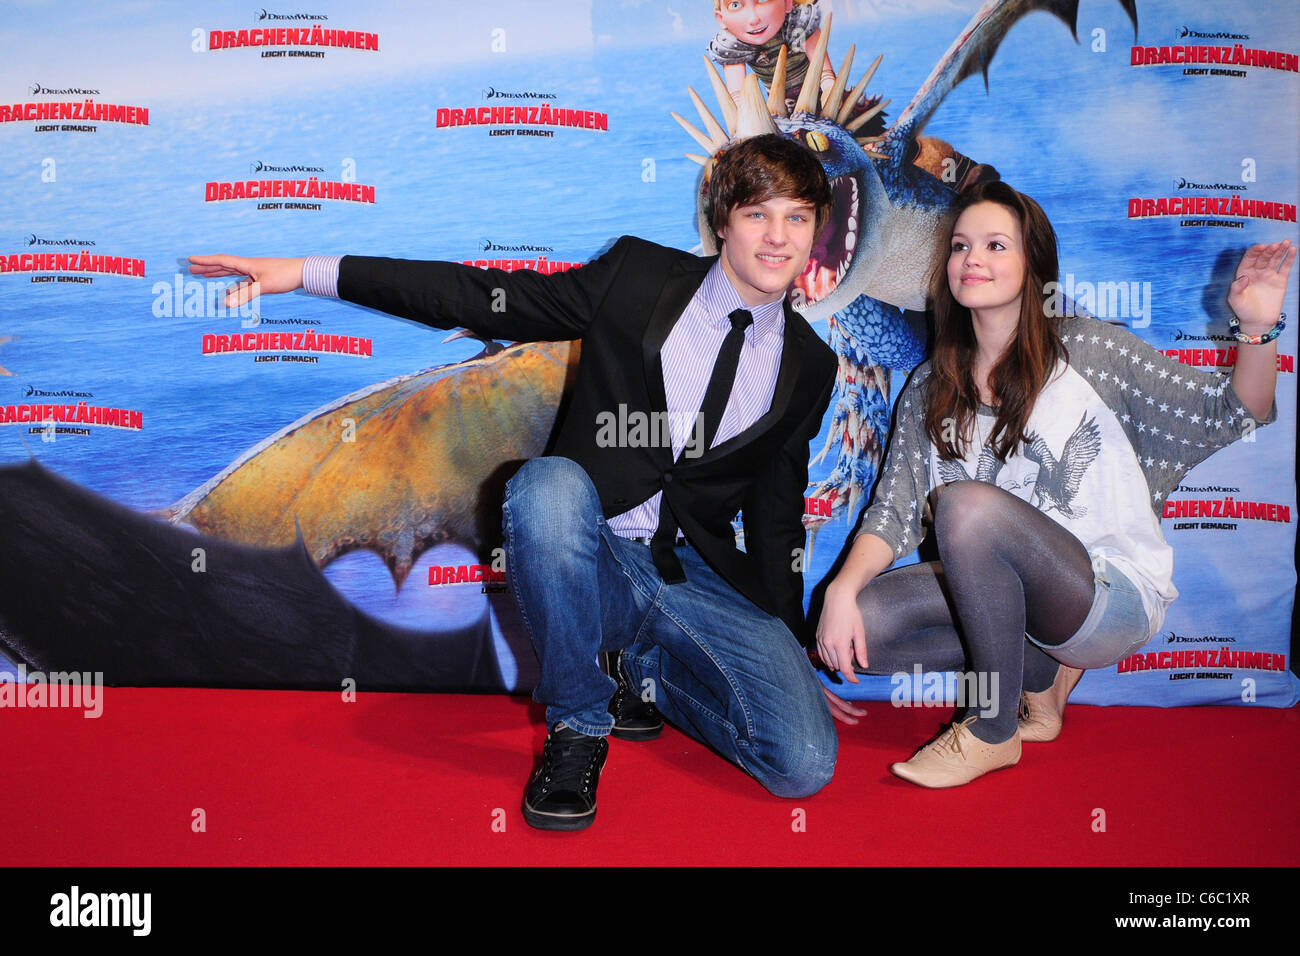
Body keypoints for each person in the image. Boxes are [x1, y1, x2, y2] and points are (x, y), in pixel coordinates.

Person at [189, 133, 841, 829]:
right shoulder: (638, 277)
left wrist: (793, 650)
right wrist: (308, 271)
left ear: (815, 232)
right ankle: (580, 726)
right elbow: (481, 296)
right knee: (549, 485)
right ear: (722, 219)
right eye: (758, 215)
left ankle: (639, 673)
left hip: (691, 573)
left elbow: (776, 516)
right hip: (591, 555)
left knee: (800, 764)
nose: (777, 238)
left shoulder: (811, 366)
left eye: (797, 218)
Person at [815, 180, 1294, 788]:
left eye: (996, 245)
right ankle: (1039, 675)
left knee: (966, 507)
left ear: (1033, 264)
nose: (973, 260)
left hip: (1102, 594)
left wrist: (1258, 328)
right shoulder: (931, 384)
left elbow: (1234, 411)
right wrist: (841, 591)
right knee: (867, 626)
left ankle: (991, 731)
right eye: (960, 246)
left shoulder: (1089, 350)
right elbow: (893, 512)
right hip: (1015, 597)